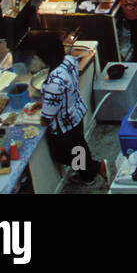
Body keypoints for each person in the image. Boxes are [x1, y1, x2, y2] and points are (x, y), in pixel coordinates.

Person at [36, 32, 106, 186]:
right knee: (79, 147)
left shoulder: (54, 81)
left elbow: (48, 115)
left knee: (61, 155)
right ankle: (87, 176)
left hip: (64, 125)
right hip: (75, 114)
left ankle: (96, 167)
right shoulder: (68, 60)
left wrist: (38, 118)